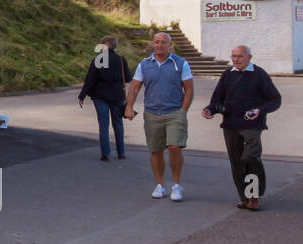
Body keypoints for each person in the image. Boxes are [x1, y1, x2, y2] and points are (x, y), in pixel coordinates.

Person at [201, 45, 282, 211]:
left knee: (250, 158)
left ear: (249, 57)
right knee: (236, 162)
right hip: (230, 125)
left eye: (239, 56)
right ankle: (245, 197)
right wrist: (210, 109)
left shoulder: (259, 74)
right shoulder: (227, 74)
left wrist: (260, 110)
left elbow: (275, 100)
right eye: (233, 56)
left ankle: (254, 196)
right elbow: (217, 99)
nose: (236, 59)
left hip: (252, 125)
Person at [124, 31, 194, 201]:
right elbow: (134, 87)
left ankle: (176, 185)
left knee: (174, 147)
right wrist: (129, 106)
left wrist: (182, 111)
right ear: (152, 44)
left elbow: (189, 89)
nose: (160, 45)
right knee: (156, 150)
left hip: (174, 112)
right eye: (156, 42)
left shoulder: (180, 63)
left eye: (163, 42)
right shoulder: (144, 64)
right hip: (152, 113)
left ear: (170, 45)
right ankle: (160, 185)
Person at [77, 35, 132, 160]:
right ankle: (121, 153)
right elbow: (128, 78)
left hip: (100, 96)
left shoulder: (99, 59)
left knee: (103, 125)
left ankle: (105, 154)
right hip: (117, 96)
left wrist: (82, 96)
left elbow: (90, 79)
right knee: (118, 124)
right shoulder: (121, 60)